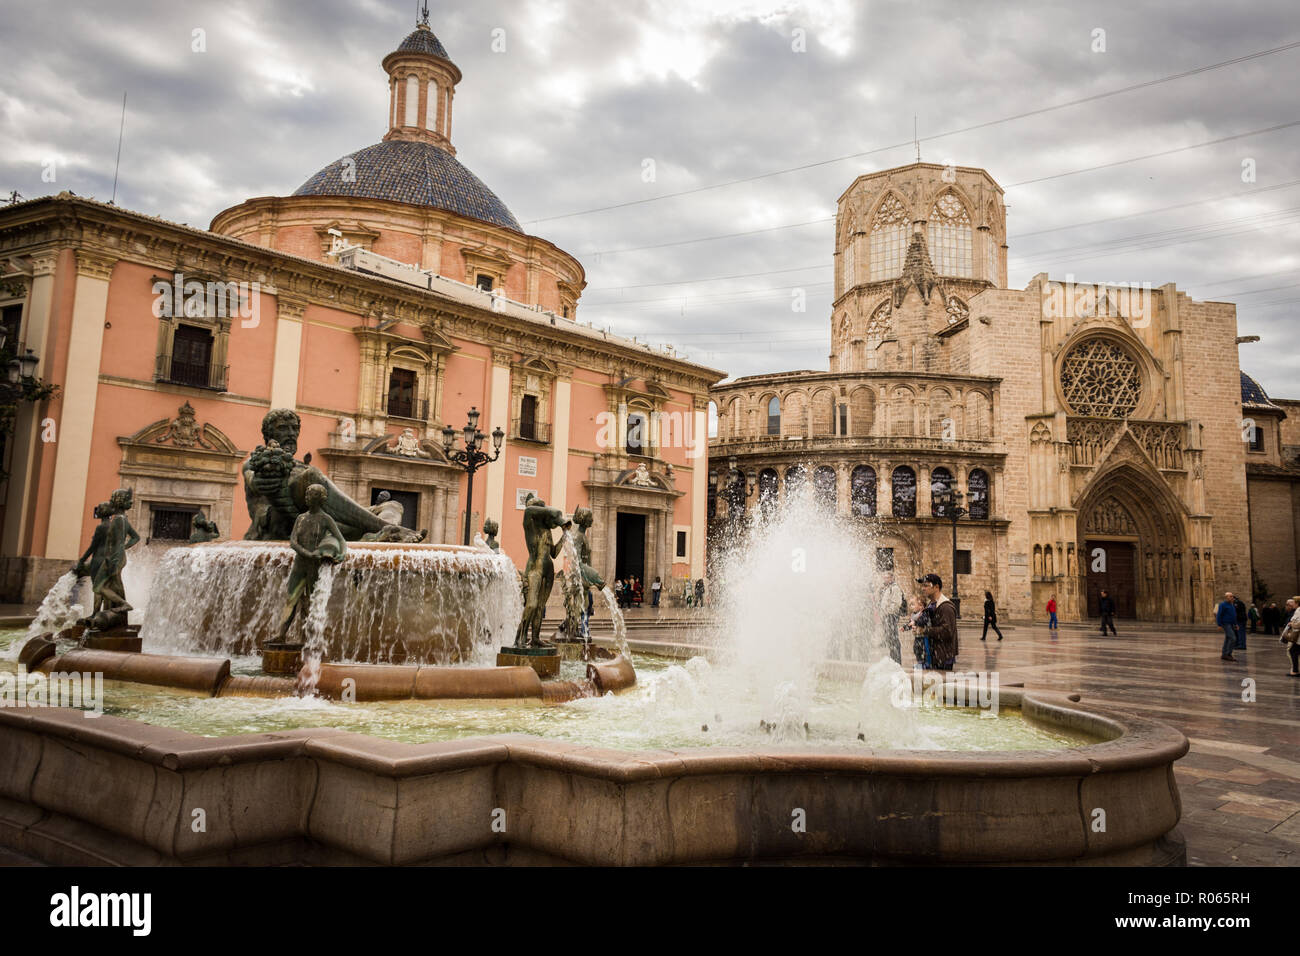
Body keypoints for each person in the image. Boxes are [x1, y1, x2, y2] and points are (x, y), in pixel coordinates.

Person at [914, 573, 958, 670]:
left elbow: (947, 631)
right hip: (933, 656)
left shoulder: (945, 606)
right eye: (922, 586)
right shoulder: (931, 604)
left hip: (942, 657)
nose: (923, 588)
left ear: (936, 587)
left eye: (926, 585)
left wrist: (924, 630)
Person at [879, 572, 907, 663]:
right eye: (884, 578)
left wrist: (889, 612)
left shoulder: (895, 588)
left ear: (892, 578)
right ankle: (893, 658)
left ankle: (896, 659)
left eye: (887, 578)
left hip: (891, 616)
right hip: (887, 616)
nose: (885, 579)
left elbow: (896, 603)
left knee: (893, 638)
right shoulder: (888, 588)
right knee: (890, 638)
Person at [1279, 596, 1300, 677]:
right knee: (1293, 651)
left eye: (1294, 602)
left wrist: (1292, 624)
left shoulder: (1299, 610)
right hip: (1297, 637)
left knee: (1292, 651)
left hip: (1297, 636)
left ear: (1297, 603)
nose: (1292, 604)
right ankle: (1295, 670)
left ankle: (1295, 671)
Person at [1216, 592, 1238, 662]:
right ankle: (1228, 654)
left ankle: (1224, 654)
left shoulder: (1232, 605)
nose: (1232, 598)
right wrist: (1219, 624)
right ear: (1226, 597)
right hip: (1226, 624)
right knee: (1233, 638)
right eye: (1230, 596)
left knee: (1228, 639)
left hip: (1231, 624)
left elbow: (1233, 615)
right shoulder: (1223, 605)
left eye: (1232, 596)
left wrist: (1236, 624)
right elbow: (1219, 615)